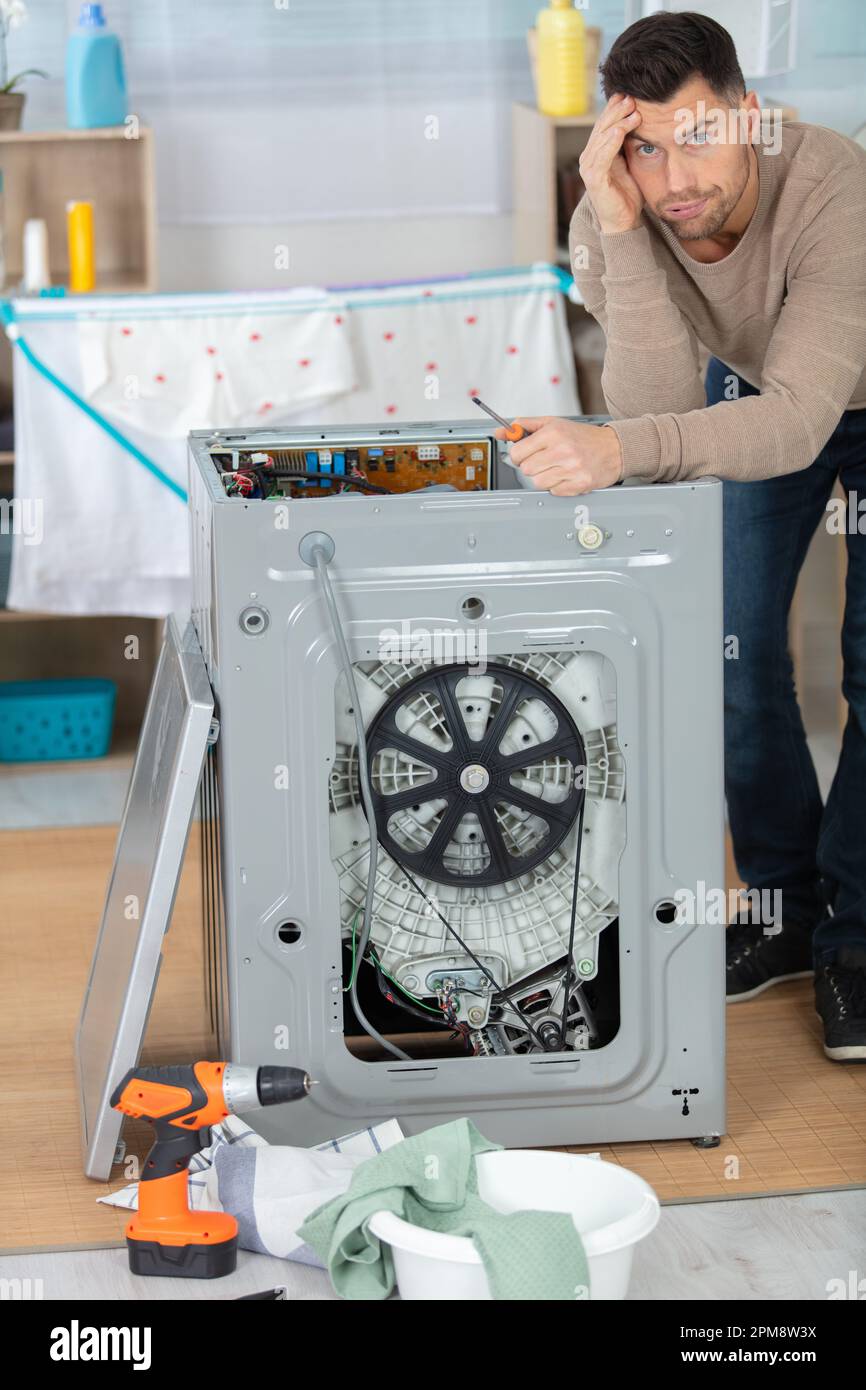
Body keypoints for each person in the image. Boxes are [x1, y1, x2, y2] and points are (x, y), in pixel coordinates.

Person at [496, 11, 866, 1060]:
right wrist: (615, 230)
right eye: (644, 145)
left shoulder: (831, 183)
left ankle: (856, 939)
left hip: (830, 389)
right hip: (739, 396)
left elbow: (798, 419)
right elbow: (656, 413)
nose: (672, 178)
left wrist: (617, 450)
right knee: (734, 654)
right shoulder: (615, 207)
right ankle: (787, 911)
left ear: (746, 117)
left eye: (696, 135)